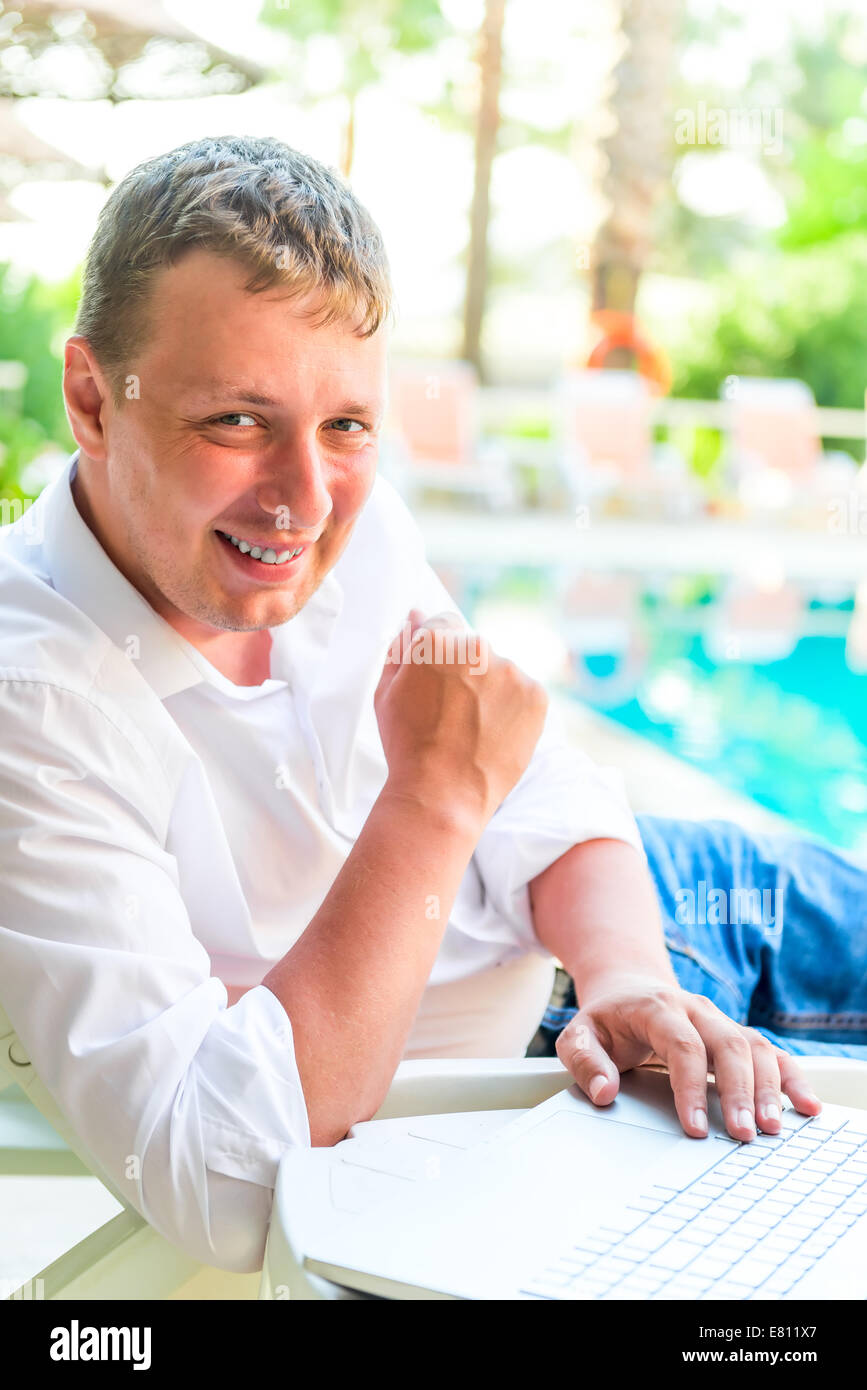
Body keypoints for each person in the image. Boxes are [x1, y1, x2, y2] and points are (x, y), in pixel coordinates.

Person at [0, 135, 865, 1275]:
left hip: (638, 937)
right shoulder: (36, 699)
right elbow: (227, 1183)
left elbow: (543, 784)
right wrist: (434, 797)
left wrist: (629, 976)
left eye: (348, 426)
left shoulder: (345, 535)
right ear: (91, 398)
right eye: (236, 421)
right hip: (517, 1091)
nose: (306, 499)